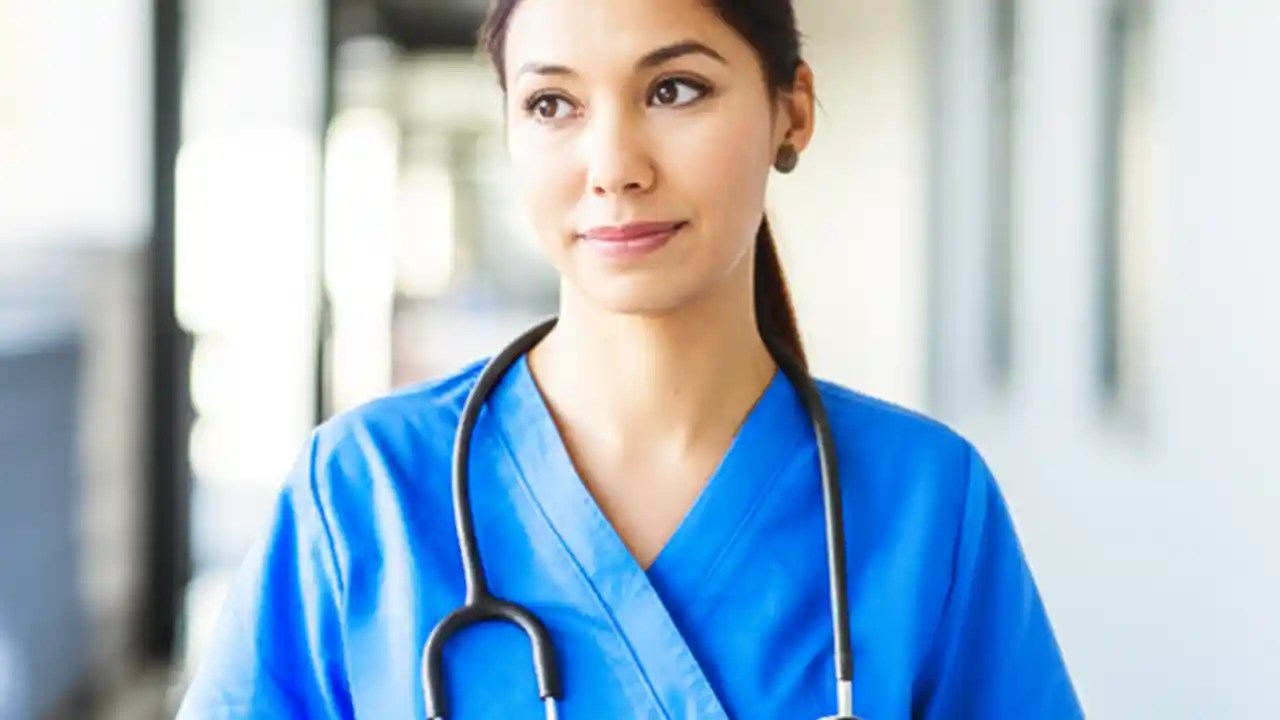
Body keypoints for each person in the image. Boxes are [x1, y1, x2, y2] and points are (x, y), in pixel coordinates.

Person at [177, 0, 1084, 717]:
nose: (612, 164)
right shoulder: (364, 490)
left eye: (674, 89)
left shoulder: (924, 500)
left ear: (792, 111)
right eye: (552, 104)